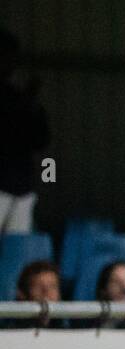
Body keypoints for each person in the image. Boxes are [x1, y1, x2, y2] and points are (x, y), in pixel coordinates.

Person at [0, 29, 50, 235]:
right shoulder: (16, 99)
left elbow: (41, 140)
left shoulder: (19, 98)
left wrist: (29, 104)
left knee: (15, 250)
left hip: (20, 188)